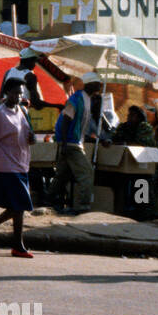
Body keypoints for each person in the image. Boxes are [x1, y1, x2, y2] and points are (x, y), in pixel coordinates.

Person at [0, 77, 37, 258]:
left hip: (21, 164)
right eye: (15, 93)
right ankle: (18, 245)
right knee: (20, 205)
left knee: (18, 206)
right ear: (7, 93)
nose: (19, 96)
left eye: (21, 93)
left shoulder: (22, 110)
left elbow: (28, 133)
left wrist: (32, 138)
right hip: (5, 165)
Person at [50, 73, 99, 214]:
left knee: (62, 175)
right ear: (89, 84)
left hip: (73, 141)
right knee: (87, 174)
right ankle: (82, 206)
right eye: (97, 83)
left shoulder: (87, 99)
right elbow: (66, 119)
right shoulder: (76, 98)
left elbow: (79, 124)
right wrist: (65, 143)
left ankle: (49, 199)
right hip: (71, 143)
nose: (99, 86)